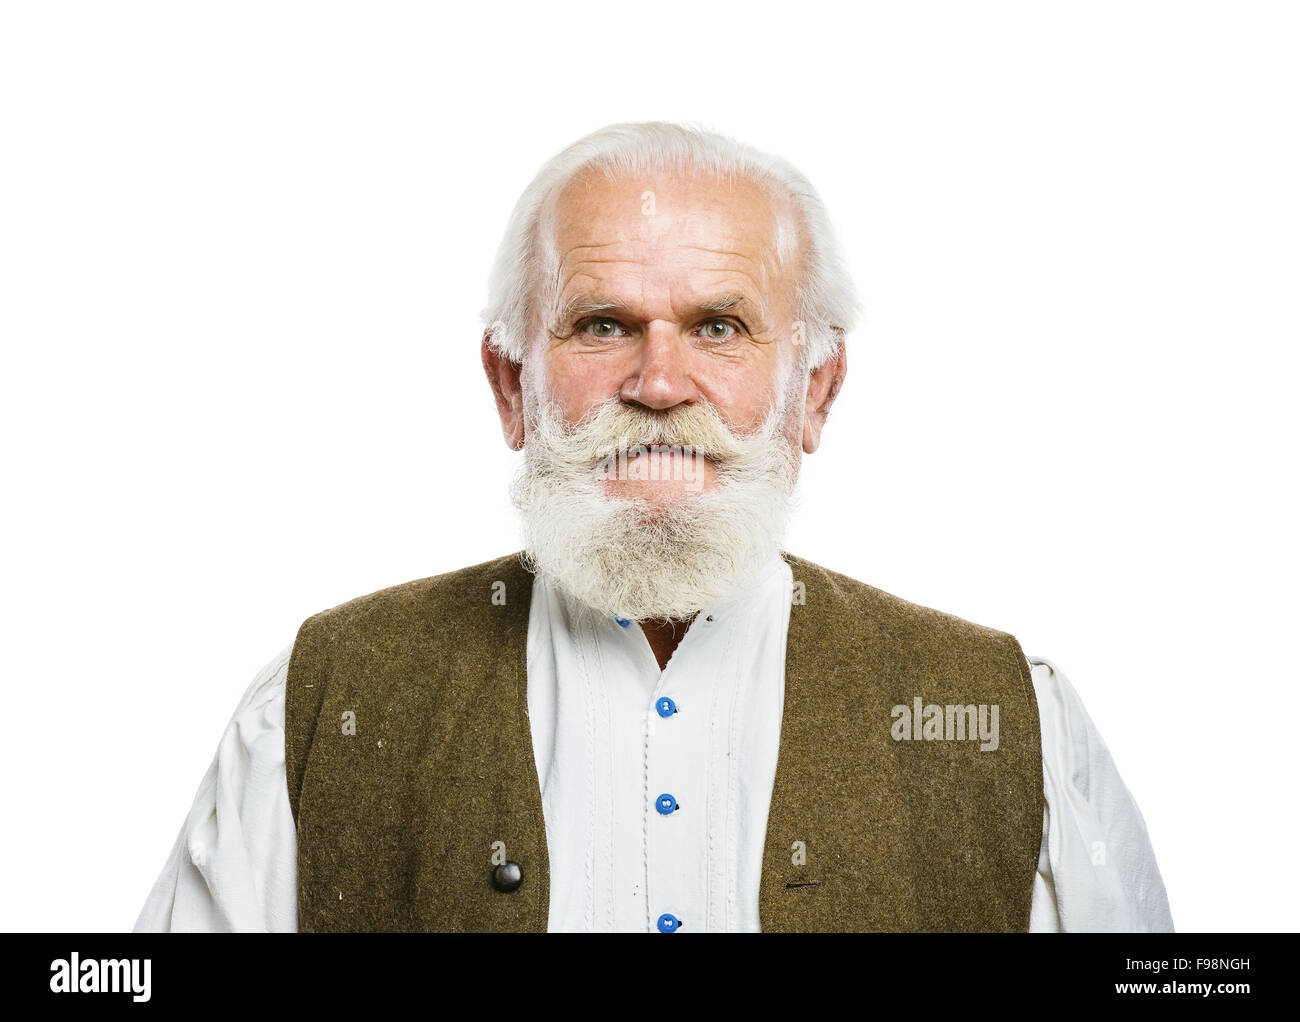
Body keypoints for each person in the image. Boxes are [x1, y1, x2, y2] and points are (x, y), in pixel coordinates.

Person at [135, 121, 1173, 933]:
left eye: (719, 326)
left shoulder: (1003, 717)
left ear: (815, 389)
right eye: (602, 326)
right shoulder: (321, 702)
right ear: (511, 386)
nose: (660, 382)